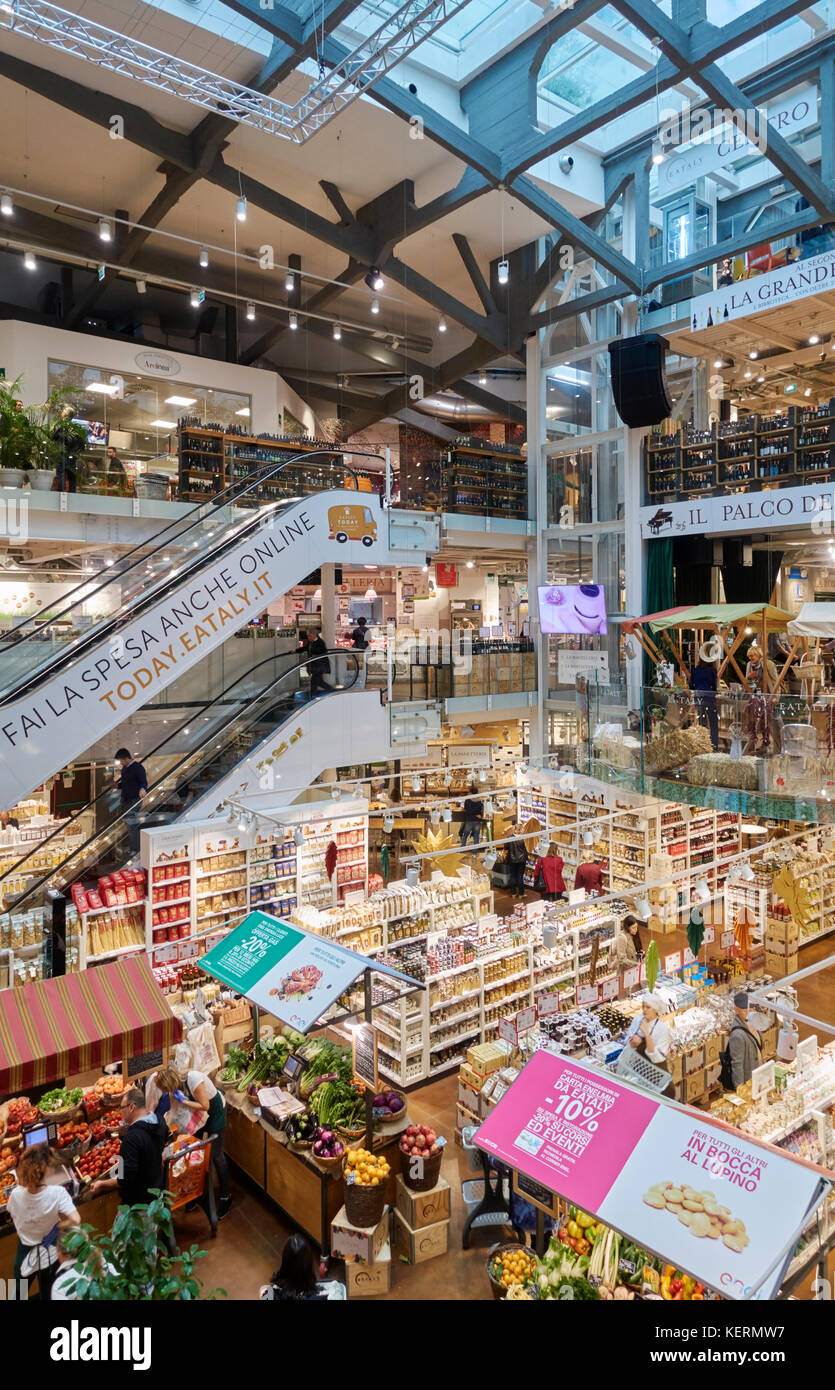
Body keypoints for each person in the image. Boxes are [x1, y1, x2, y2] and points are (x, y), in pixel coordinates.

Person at [155, 1064, 231, 1220]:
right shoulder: (174, 1089)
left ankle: (226, 1197)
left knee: (216, 1154)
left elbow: (205, 1105)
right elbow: (172, 1109)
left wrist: (184, 1101)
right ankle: (195, 1194)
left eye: (166, 1088)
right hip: (199, 1117)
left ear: (171, 1082)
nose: (167, 1092)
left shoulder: (193, 1079)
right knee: (193, 1149)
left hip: (214, 1112)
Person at [7, 1143, 80, 1299]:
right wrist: (58, 1229)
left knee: (19, 1293)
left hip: (24, 1253)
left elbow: (12, 1213)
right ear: (46, 1169)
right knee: (48, 1294)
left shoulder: (15, 1195)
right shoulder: (57, 1193)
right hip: (50, 1255)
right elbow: (76, 1219)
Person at [89, 1086, 170, 1207]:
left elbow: (124, 1179)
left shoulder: (131, 1139)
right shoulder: (160, 1121)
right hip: (157, 1195)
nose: (121, 1112)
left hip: (139, 1206)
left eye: (122, 1108)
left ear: (132, 1107)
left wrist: (102, 1184)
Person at [259, 1234, 345, 1300]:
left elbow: (263, 1291)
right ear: (309, 1263)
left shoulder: (271, 1295)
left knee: (263, 1288)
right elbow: (337, 1289)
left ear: (285, 1262)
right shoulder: (325, 1296)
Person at [114, 747, 148, 853]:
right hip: (125, 799)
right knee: (129, 825)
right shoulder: (125, 769)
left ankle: (136, 849)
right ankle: (133, 847)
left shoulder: (138, 768)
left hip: (134, 800)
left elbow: (143, 782)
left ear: (127, 758)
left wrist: (143, 789)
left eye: (121, 760)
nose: (120, 763)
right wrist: (117, 786)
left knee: (132, 825)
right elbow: (125, 783)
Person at [728, 992, 763, 1089]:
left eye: (751, 1009)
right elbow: (737, 1065)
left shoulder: (753, 1023)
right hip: (749, 1081)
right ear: (736, 1009)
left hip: (758, 1075)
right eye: (745, 1011)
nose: (749, 1013)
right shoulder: (738, 1035)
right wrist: (740, 1089)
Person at [626, 994, 671, 1065]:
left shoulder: (662, 1028)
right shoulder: (638, 1019)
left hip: (655, 1068)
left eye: (648, 1007)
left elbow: (658, 1058)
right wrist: (633, 1043)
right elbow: (627, 1041)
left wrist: (647, 1034)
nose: (644, 1010)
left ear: (656, 1009)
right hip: (638, 1065)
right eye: (643, 1006)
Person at [689, 644, 719, 750]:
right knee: (714, 723)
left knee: (702, 723)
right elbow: (715, 687)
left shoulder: (695, 670)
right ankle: (714, 746)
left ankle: (703, 746)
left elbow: (690, 685)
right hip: (709, 698)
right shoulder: (712, 671)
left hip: (698, 698)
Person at [298, 629, 333, 697]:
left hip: (319, 666)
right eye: (308, 636)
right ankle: (331, 691)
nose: (308, 637)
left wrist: (316, 654)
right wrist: (295, 650)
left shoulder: (320, 642)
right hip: (315, 666)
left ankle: (313, 696)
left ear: (314, 635)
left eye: (309, 636)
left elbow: (324, 652)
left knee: (315, 682)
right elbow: (304, 648)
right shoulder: (310, 642)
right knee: (318, 682)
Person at [506, 829, 528, 897]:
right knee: (520, 876)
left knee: (512, 876)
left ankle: (513, 893)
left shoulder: (509, 838)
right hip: (522, 860)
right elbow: (527, 848)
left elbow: (506, 847)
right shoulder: (524, 838)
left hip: (512, 860)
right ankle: (521, 894)